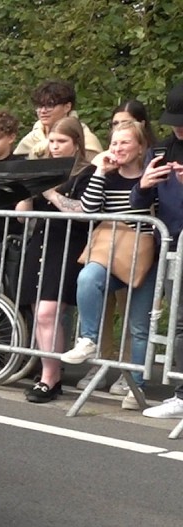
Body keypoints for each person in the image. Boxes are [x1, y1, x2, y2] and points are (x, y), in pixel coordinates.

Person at [59, 121, 157, 409]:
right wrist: (100, 170)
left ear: (141, 147)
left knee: (139, 325)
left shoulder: (153, 176)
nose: (117, 148)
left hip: (143, 257)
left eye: (125, 143)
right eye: (114, 143)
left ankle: (135, 386)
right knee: (88, 276)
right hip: (109, 251)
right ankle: (88, 339)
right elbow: (88, 209)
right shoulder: (107, 177)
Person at [18, 118, 97, 402]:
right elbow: (22, 213)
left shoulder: (88, 172)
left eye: (61, 142)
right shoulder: (46, 169)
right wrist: (25, 191)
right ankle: (48, 371)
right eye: (51, 141)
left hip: (68, 244)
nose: (54, 147)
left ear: (76, 143)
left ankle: (51, 377)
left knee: (48, 312)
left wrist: (50, 192)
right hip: (41, 241)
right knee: (38, 311)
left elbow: (81, 209)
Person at [136, 81, 183, 418]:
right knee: (178, 319)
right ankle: (181, 393)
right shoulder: (162, 150)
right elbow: (138, 203)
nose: (177, 127)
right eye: (173, 120)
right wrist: (143, 186)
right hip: (172, 245)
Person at [15, 79, 104, 158]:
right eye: (39, 106)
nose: (42, 111)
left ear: (67, 107)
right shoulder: (31, 139)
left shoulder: (85, 139)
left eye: (50, 105)